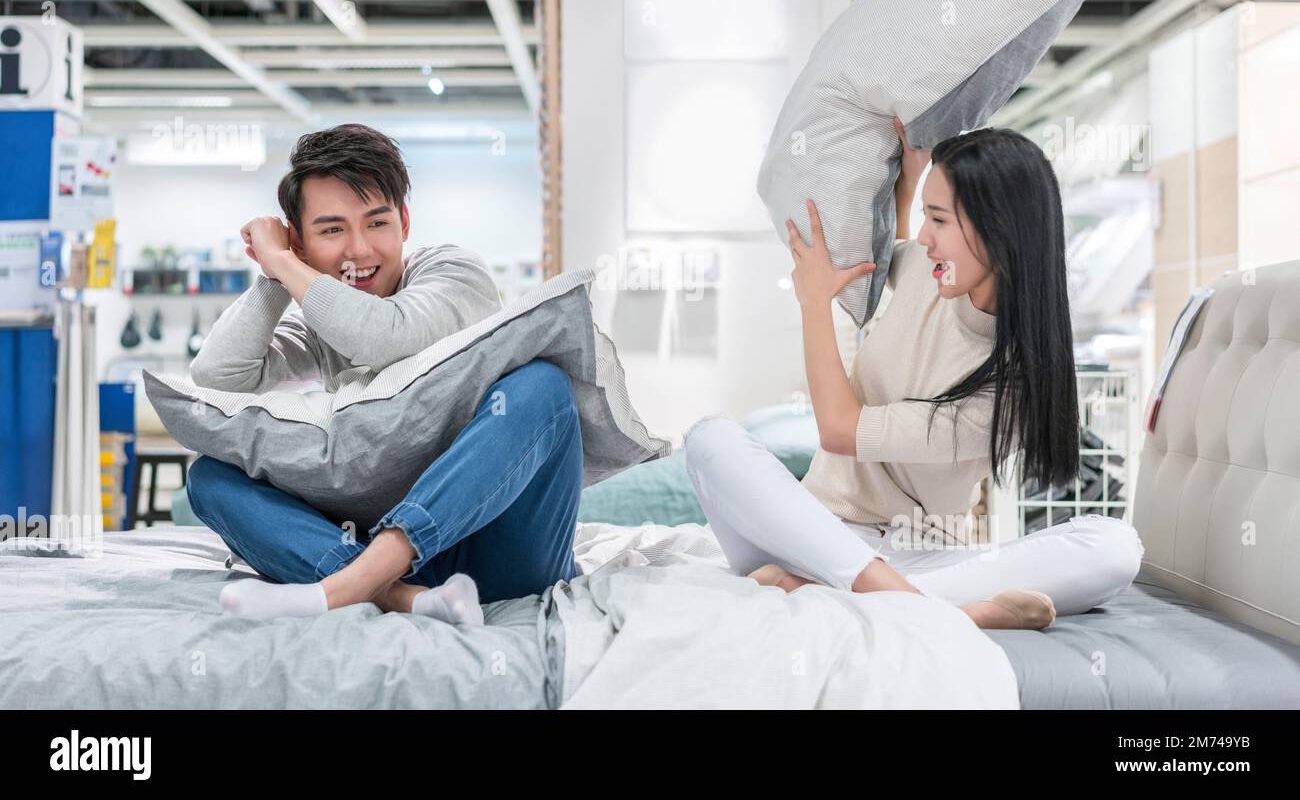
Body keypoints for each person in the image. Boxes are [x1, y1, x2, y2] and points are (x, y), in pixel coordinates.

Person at [683, 118, 1145, 630]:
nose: (925, 237)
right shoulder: (935, 267)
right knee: (709, 439)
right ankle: (932, 611)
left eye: (940, 220)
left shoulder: (1011, 390)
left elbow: (841, 431)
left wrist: (814, 305)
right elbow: (892, 256)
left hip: (919, 554)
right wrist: (908, 186)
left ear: (998, 232)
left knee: (1114, 547)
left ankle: (839, 597)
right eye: (926, 217)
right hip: (816, 538)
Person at [185, 124, 584, 623]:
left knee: (543, 386)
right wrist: (274, 276)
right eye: (332, 230)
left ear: (405, 222)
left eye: (377, 223)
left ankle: (347, 588)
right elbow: (217, 381)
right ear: (302, 245)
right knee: (209, 475)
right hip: (382, 556)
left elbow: (384, 335)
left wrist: (286, 261)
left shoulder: (453, 273)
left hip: (502, 546)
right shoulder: (317, 324)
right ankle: (402, 596)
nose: (360, 250)